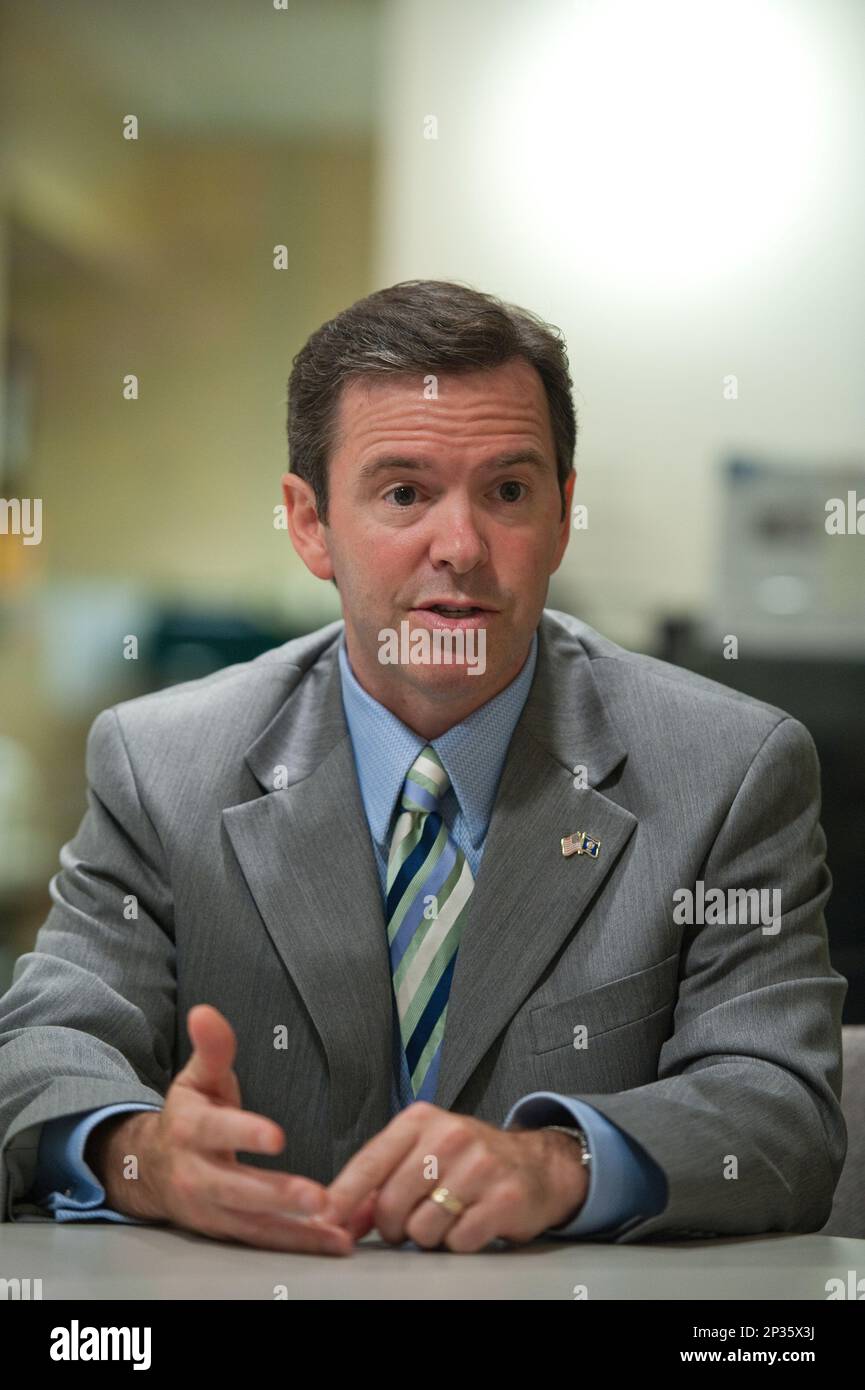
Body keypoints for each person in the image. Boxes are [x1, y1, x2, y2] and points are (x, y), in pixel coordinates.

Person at [0, 280, 847, 1256]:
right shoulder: (160, 763)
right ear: (310, 523)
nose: (461, 547)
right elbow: (40, 1047)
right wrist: (140, 1150)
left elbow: (782, 1109)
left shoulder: (727, 770)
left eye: (509, 491)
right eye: (404, 492)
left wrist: (560, 1163)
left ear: (562, 515)